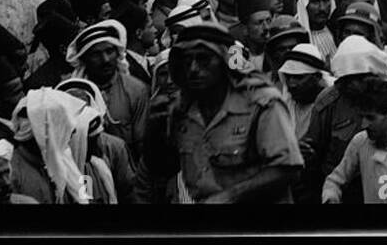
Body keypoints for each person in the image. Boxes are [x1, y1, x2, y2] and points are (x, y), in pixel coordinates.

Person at [145, 22, 303, 204]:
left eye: (204, 60)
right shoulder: (181, 109)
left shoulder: (261, 102)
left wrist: (230, 196)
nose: (193, 69)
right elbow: (163, 169)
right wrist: (153, 130)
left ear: (223, 61)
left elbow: (288, 169)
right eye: (187, 62)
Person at [322, 77, 387, 204]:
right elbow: (335, 180)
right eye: (361, 117)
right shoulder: (360, 142)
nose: (364, 125)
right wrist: (330, 196)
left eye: (370, 118)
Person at [65, 20, 149, 164]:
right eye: (96, 54)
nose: (105, 59)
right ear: (84, 59)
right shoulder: (71, 94)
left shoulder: (136, 90)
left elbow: (142, 143)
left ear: (118, 53)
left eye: (109, 51)